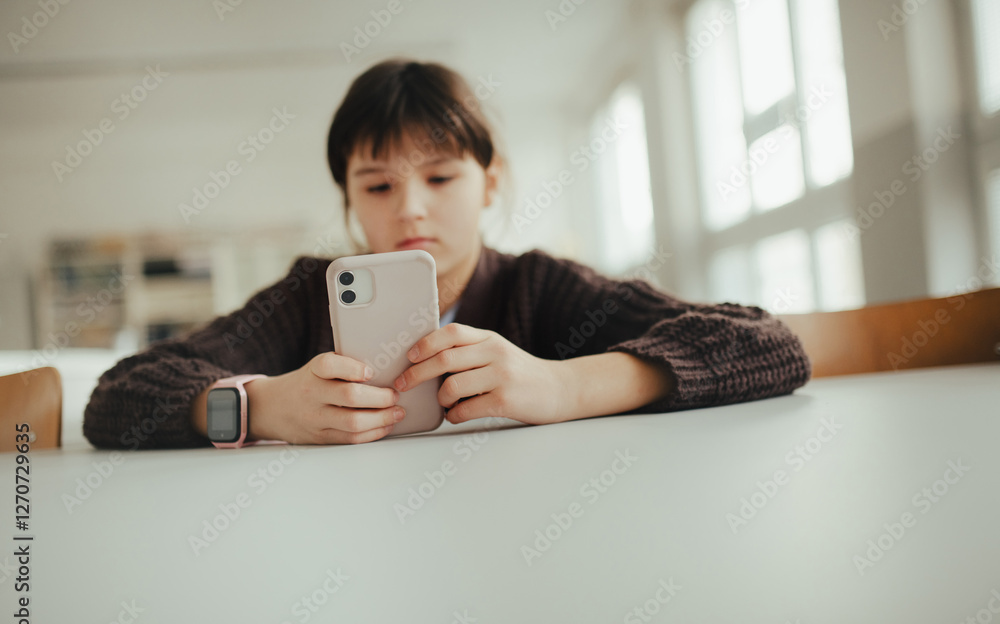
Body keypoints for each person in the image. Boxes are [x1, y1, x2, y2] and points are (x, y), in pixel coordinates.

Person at [83, 59, 811, 450]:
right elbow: (119, 395)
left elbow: (765, 343)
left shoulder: (540, 286)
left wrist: (560, 387)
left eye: (439, 176)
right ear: (348, 200)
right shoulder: (307, 295)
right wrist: (261, 406)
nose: (410, 208)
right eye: (377, 184)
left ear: (489, 180)